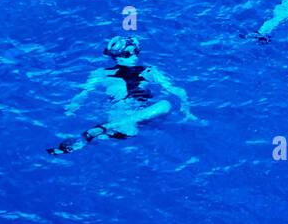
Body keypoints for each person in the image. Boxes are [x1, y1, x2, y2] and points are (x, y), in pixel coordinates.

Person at [47, 35, 194, 155]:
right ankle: (100, 132)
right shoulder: (101, 73)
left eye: (132, 52)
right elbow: (84, 92)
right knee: (164, 106)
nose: (130, 56)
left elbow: (178, 90)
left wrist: (186, 109)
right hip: (123, 118)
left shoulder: (150, 71)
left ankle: (91, 136)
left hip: (133, 116)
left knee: (118, 131)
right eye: (124, 54)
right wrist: (72, 107)